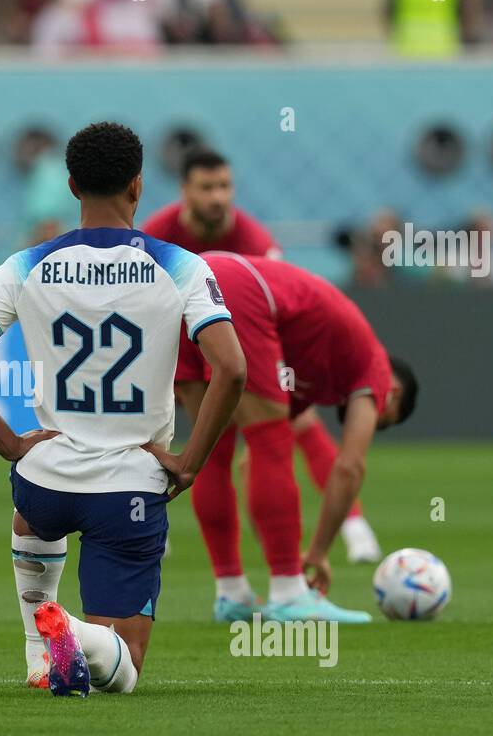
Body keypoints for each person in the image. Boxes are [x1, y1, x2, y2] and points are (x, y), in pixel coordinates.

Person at [0, 122, 245, 695]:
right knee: (120, 675)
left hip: (45, 482)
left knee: (31, 510)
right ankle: (71, 631)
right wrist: (191, 460)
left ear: (73, 186)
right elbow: (232, 368)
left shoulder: (26, 264)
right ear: (138, 185)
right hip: (128, 486)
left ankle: (38, 644)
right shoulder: (181, 266)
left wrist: (9, 445)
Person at [146, 148, 383, 564]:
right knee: (184, 433)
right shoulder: (157, 234)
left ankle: (354, 521)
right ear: (185, 191)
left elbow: (274, 300)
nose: (218, 198)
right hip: (177, 336)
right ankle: (148, 523)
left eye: (225, 186)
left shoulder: (254, 239)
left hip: (242, 333)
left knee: (295, 419)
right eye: (207, 188)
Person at [175, 252, 419, 623]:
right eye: (382, 420)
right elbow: (349, 469)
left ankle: (232, 593)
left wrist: (277, 543)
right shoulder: (375, 367)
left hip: (190, 281)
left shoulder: (312, 370)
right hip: (238, 288)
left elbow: (249, 466)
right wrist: (317, 553)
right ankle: (289, 593)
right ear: (394, 393)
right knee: (270, 441)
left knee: (213, 449)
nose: (372, 423)